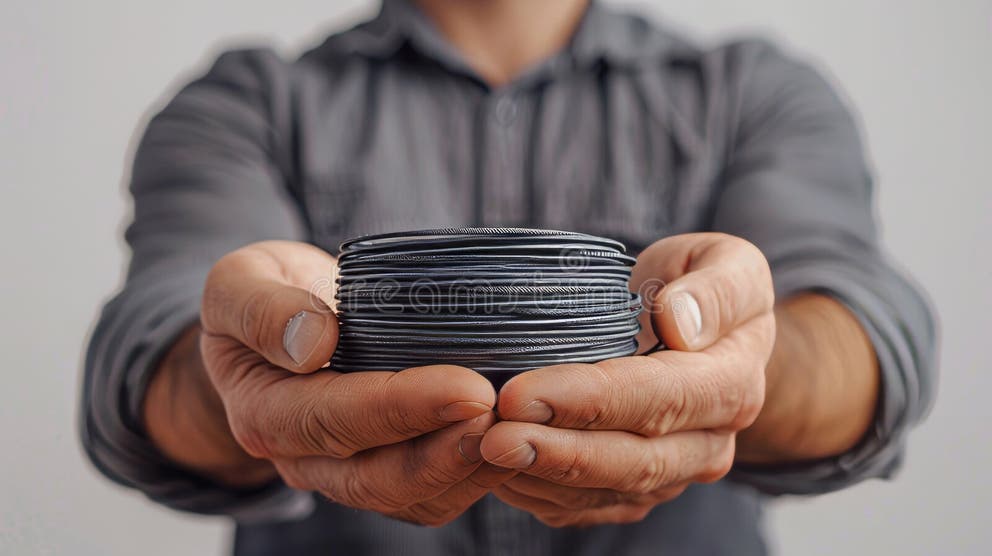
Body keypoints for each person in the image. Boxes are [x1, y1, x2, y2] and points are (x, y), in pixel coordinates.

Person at [80, 0, 938, 554]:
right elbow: (146, 361)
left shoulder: (754, 91)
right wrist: (240, 374)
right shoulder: (246, 102)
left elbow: (866, 339)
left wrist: (745, 365)